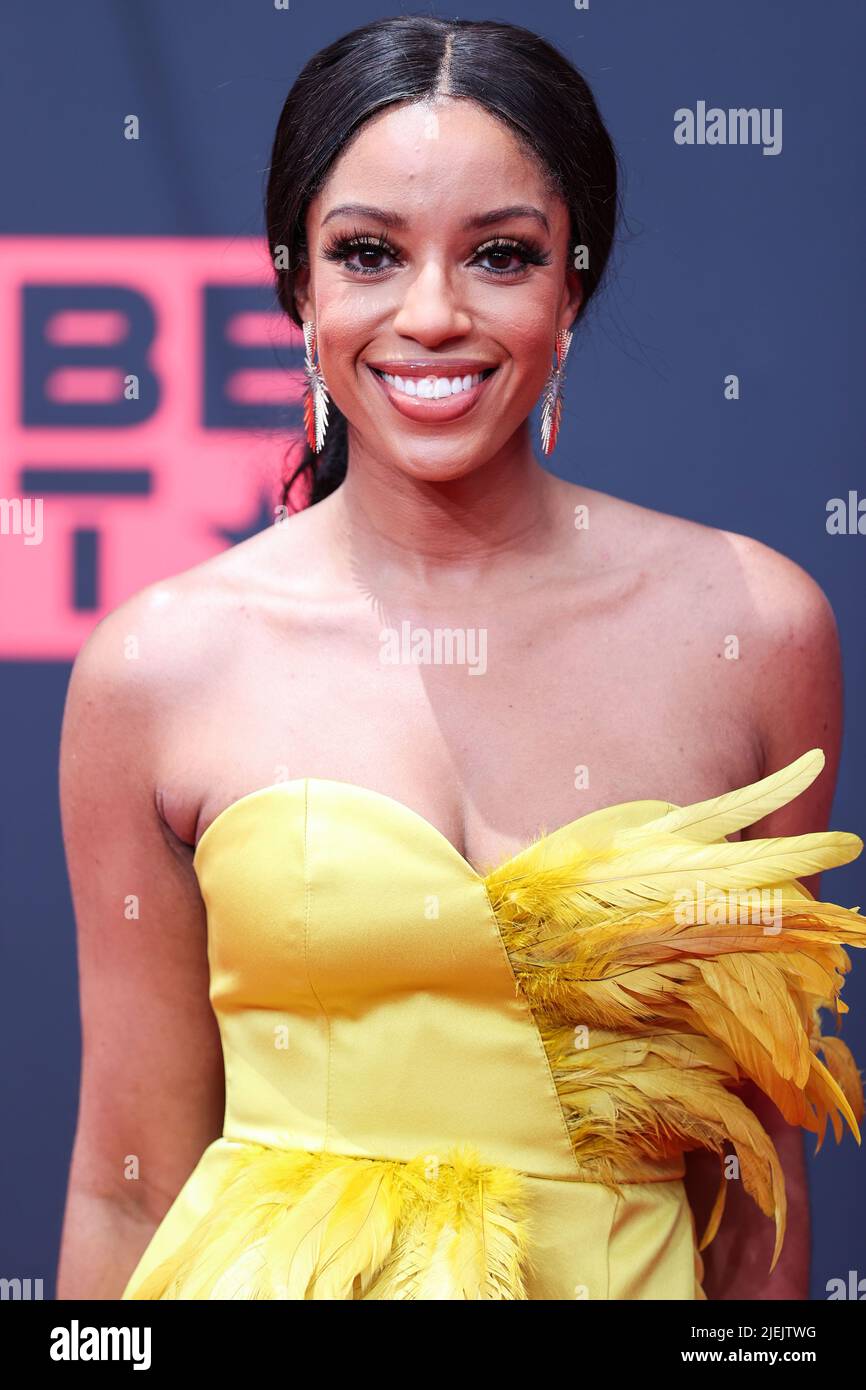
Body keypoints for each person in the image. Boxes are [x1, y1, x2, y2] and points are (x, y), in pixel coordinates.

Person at [56, 15, 864, 1301]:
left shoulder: (755, 628)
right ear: (297, 289)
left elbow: (756, 1168)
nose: (429, 315)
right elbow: (124, 1178)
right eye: (367, 254)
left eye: (498, 256)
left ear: (570, 288)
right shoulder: (156, 666)